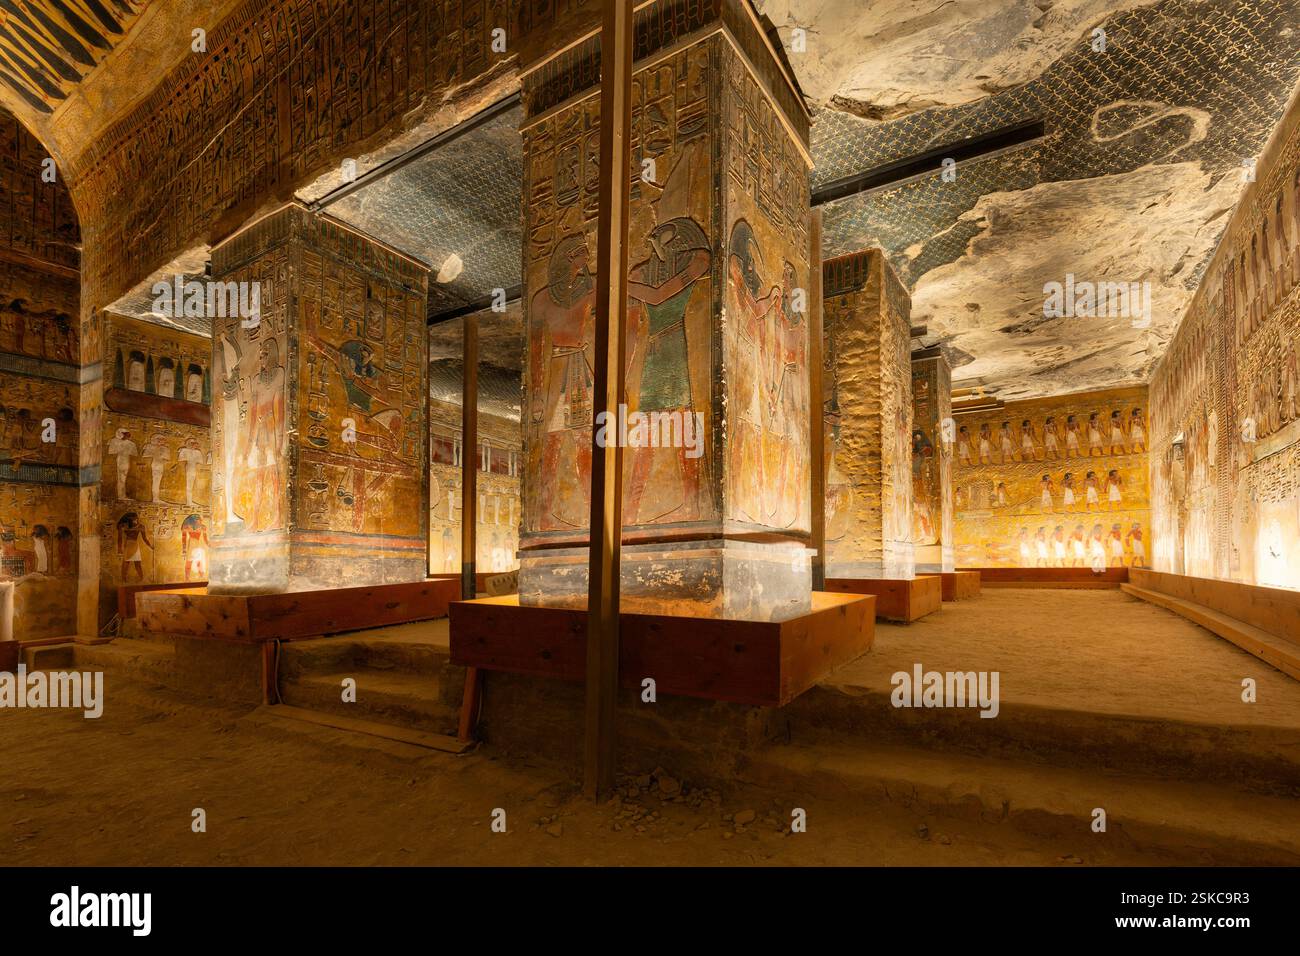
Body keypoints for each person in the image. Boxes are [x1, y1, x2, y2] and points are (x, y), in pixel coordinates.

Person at [116, 513, 153, 582]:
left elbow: (144, 538)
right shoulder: (124, 526)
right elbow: (120, 538)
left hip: (135, 545)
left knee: (138, 563)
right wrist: (119, 549)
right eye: (134, 519)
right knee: (126, 563)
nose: (136, 520)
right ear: (130, 520)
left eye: (136, 518)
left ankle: (141, 579)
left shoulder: (141, 526)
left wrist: (150, 546)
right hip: (128, 545)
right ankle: (124, 580)